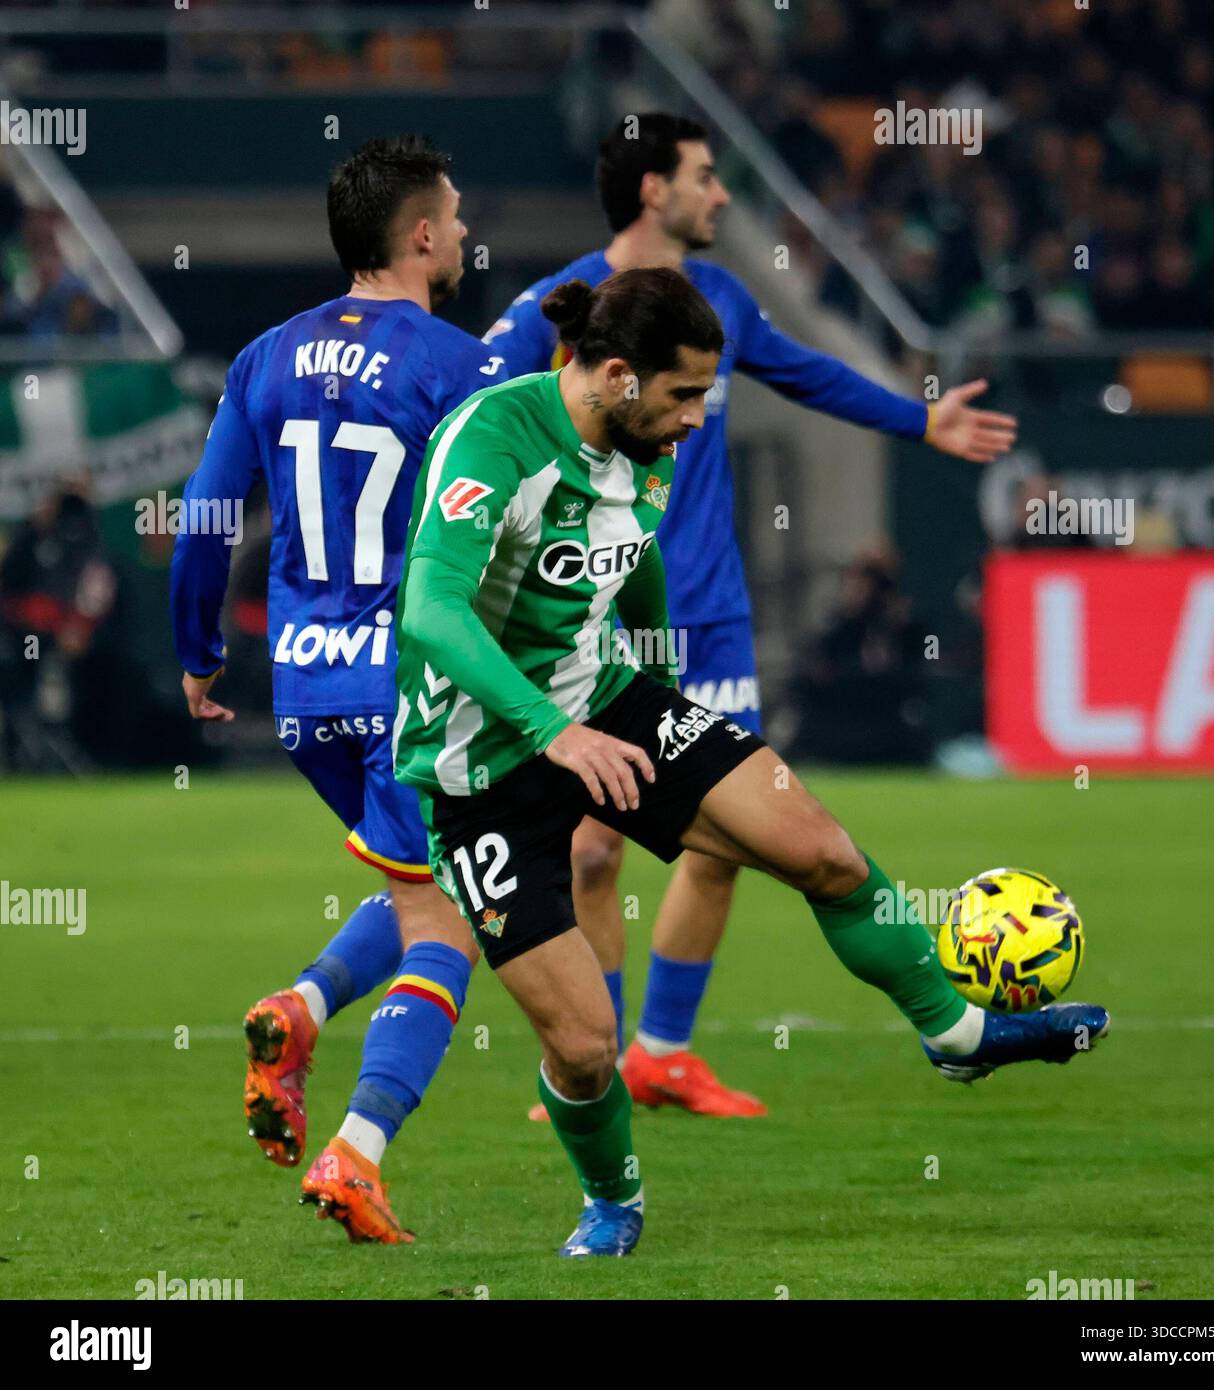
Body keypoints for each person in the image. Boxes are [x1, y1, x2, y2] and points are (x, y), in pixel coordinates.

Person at [315, 267, 1107, 1257]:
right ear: (612, 374)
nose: (698, 417)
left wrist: (654, 677)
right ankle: (613, 1202)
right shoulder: (493, 437)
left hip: (608, 703)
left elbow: (633, 554)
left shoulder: (648, 444)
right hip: (482, 770)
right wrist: (555, 734)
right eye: (686, 394)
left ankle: (957, 1036)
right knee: (585, 1045)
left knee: (824, 853)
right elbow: (431, 611)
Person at [484, 112, 1018, 1118]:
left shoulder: (721, 296)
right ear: (653, 190)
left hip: (713, 618)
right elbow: (470, 404)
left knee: (722, 845)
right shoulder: (559, 308)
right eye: (704, 176)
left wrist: (919, 418)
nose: (722, 194)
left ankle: (662, 1054)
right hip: (596, 627)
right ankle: (590, 1054)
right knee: (593, 846)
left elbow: (807, 373)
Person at [170, 135, 508, 1238]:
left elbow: (208, 521)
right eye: (453, 217)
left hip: (308, 697)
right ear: (418, 234)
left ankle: (302, 1006)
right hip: (416, 688)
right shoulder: (459, 366)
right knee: (453, 922)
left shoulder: (263, 357)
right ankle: (357, 1153)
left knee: (423, 881)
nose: (462, 234)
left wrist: (198, 648)